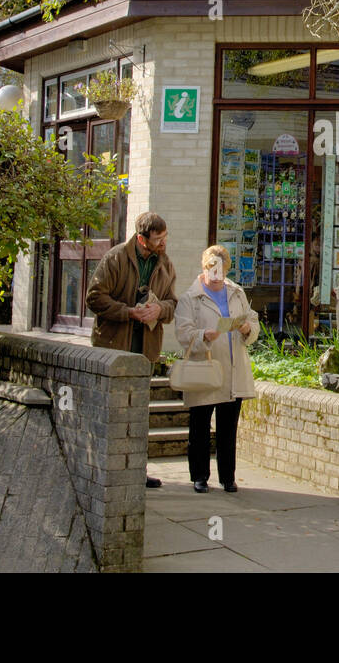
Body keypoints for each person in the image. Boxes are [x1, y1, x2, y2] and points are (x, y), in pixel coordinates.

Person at [86, 211, 177, 488]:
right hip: (114, 347)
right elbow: (94, 298)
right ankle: (101, 469)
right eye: (158, 239)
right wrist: (128, 313)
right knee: (111, 411)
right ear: (141, 238)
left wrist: (159, 309)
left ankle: (137, 468)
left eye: (165, 238)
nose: (163, 243)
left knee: (138, 413)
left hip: (145, 350)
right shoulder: (115, 258)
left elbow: (173, 304)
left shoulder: (165, 264)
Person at [174, 245, 259, 493]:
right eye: (212, 271)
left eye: (221, 272)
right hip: (204, 368)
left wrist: (247, 330)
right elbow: (183, 332)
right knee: (200, 424)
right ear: (204, 268)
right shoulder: (192, 297)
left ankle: (227, 477)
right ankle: (199, 475)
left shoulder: (236, 292)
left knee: (228, 426)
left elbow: (251, 320)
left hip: (233, 369)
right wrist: (203, 335)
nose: (216, 276)